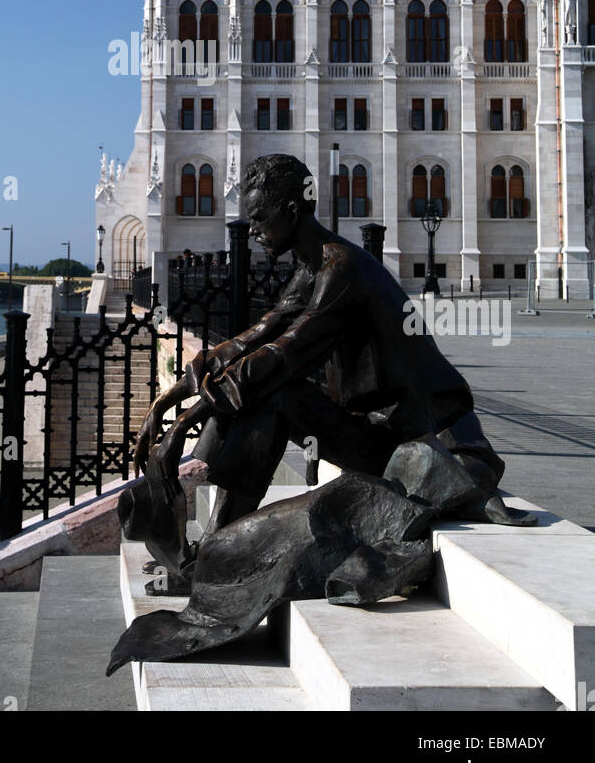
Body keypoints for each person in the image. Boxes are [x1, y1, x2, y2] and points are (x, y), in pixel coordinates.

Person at [133, 153, 531, 577]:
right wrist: (168, 401)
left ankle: (215, 557)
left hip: (422, 443)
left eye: (260, 219)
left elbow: (286, 354)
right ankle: (214, 551)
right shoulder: (312, 266)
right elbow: (254, 339)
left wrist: (183, 424)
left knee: (276, 392)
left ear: (290, 210)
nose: (253, 234)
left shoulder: (342, 268)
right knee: (261, 387)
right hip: (380, 433)